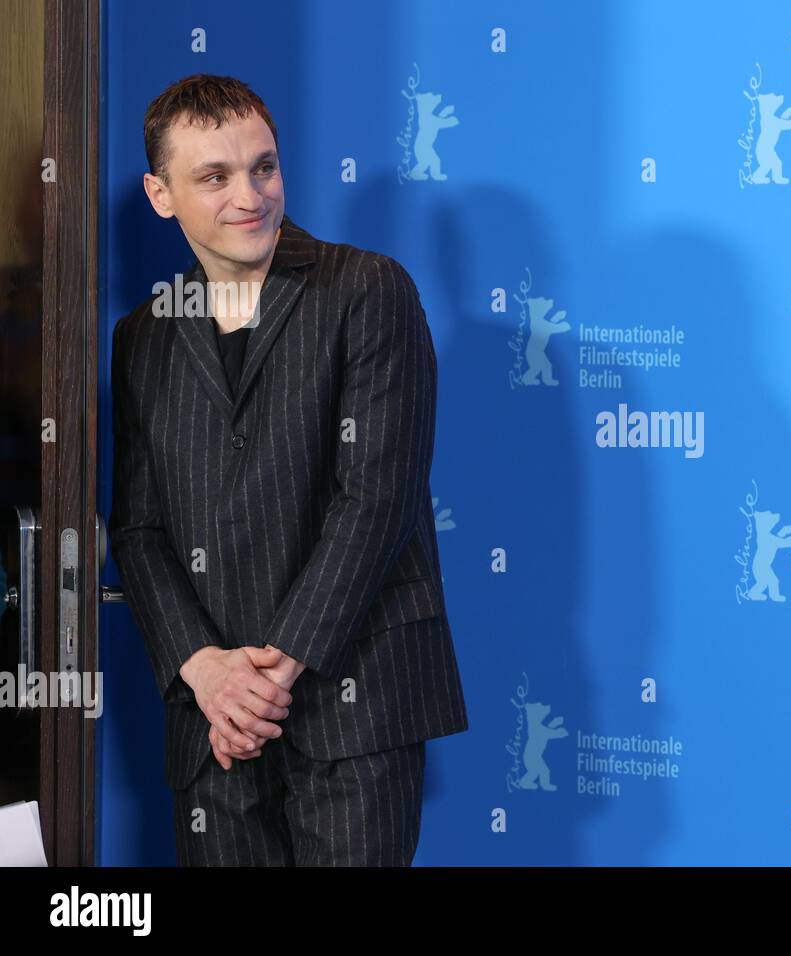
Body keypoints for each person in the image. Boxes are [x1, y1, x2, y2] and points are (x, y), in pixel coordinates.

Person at [109, 73, 469, 865]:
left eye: (263, 167)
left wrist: (268, 677)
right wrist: (205, 671)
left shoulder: (369, 290)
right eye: (215, 176)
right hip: (213, 727)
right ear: (160, 194)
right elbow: (137, 528)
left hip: (355, 708)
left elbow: (377, 500)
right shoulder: (142, 337)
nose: (251, 195)